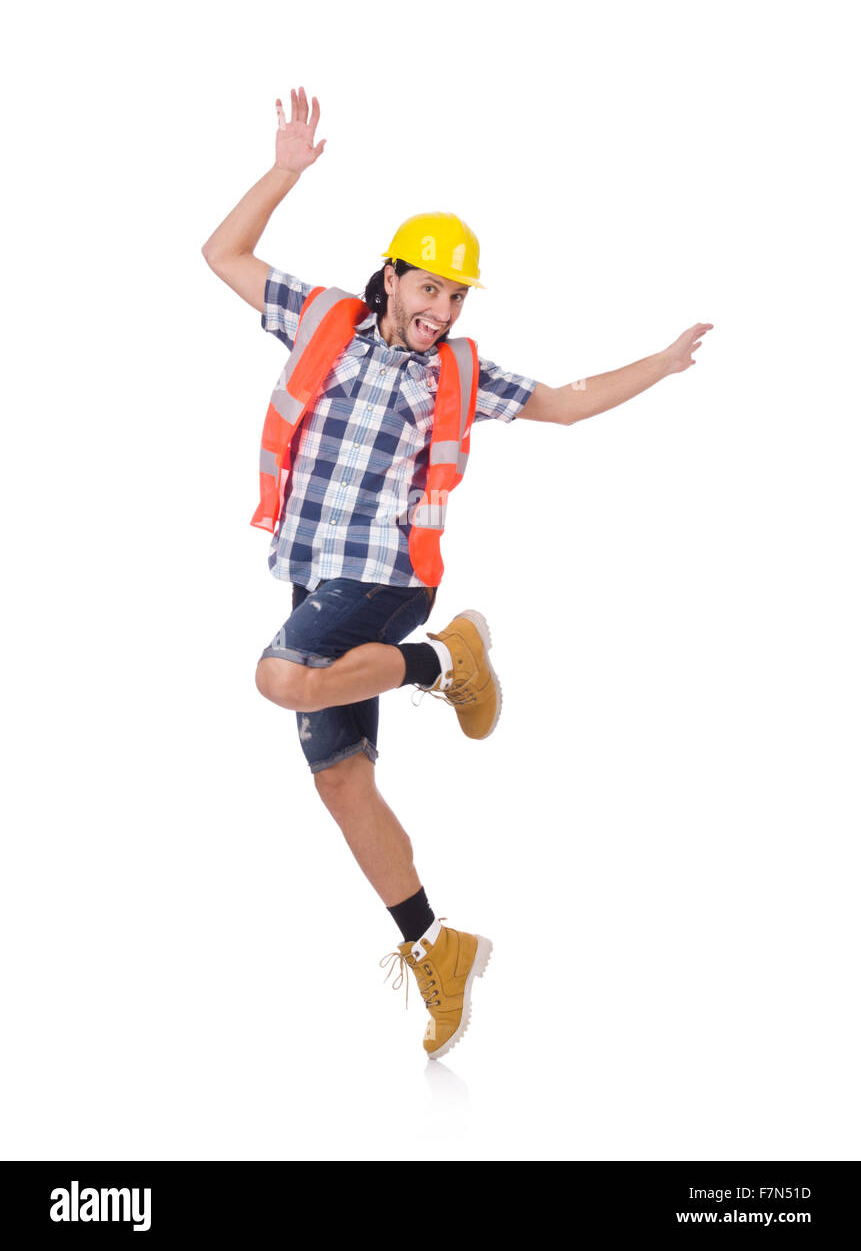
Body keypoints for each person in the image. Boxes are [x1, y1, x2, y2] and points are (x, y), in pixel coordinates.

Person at [202, 87, 714, 1060]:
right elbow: (222, 257)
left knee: (277, 679)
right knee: (343, 782)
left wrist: (659, 362)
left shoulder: (459, 376)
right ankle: (435, 944)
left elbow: (564, 404)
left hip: (390, 578)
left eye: (457, 296)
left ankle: (443, 659)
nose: (443, 309)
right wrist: (286, 172)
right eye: (430, 288)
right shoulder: (319, 320)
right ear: (390, 279)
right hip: (313, 579)